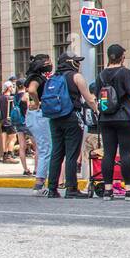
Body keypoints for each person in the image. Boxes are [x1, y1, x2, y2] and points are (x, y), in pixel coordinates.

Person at [43, 51, 98, 199]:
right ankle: (71, 188)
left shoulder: (53, 78)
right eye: (76, 61)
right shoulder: (76, 77)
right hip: (71, 117)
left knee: (57, 152)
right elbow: (89, 99)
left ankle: (52, 188)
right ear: (70, 62)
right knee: (72, 154)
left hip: (54, 118)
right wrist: (97, 110)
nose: (78, 64)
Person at [95, 43, 130, 200]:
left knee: (108, 153)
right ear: (122, 57)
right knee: (125, 154)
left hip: (106, 118)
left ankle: (108, 190)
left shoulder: (101, 75)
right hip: (124, 117)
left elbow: (97, 97)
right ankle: (129, 189)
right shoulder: (125, 73)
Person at [23, 54, 54, 195]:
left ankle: (41, 181)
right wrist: (37, 101)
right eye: (48, 62)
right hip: (39, 115)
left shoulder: (33, 77)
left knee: (43, 148)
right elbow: (31, 90)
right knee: (45, 149)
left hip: (33, 116)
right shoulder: (37, 78)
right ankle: (40, 183)